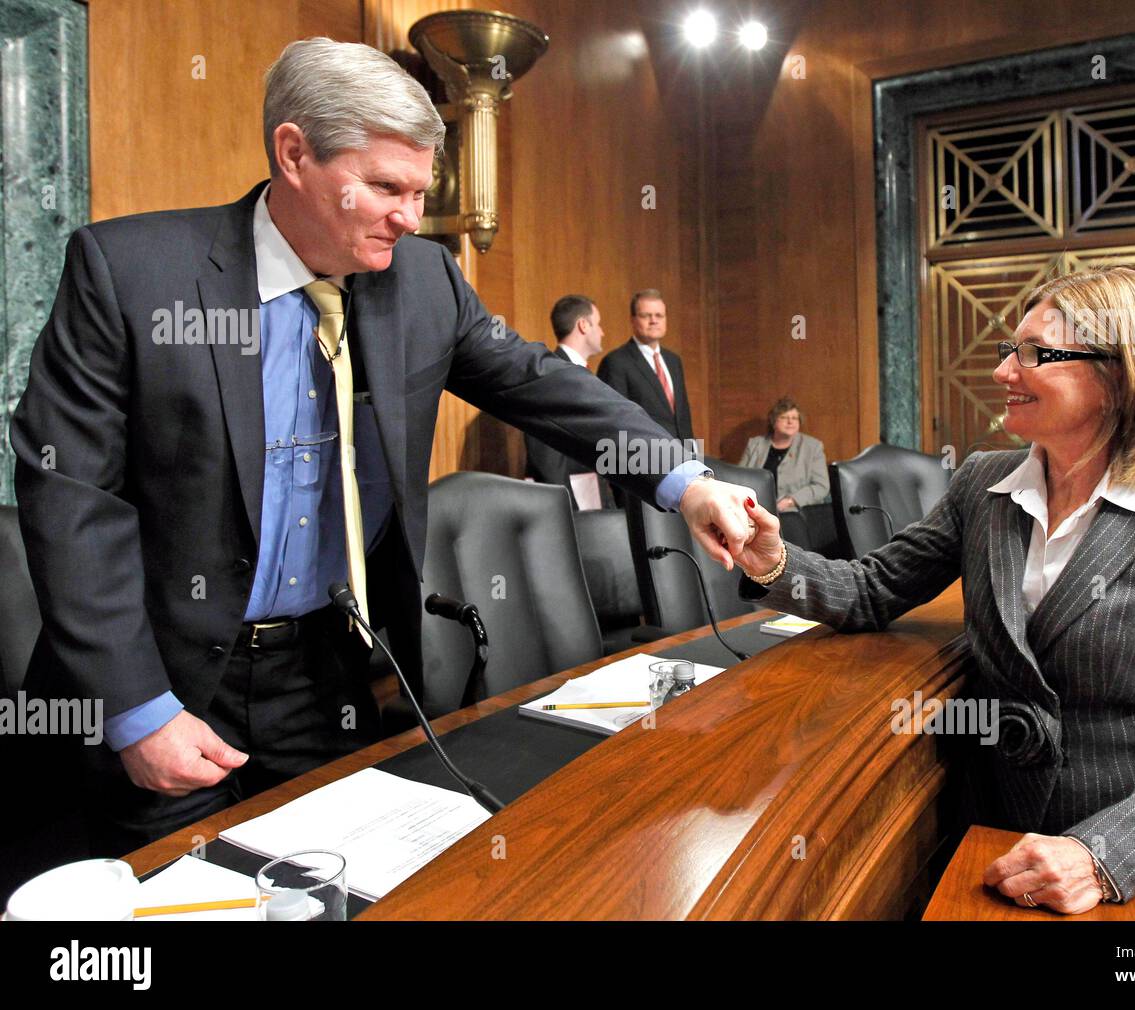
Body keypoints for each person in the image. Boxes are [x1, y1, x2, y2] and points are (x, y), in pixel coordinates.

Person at [9, 38, 755, 852]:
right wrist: (137, 709)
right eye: (385, 187)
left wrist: (685, 481)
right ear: (293, 153)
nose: (409, 213)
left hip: (325, 676)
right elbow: (71, 497)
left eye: (420, 188)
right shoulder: (131, 273)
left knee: (345, 885)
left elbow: (543, 384)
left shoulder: (423, 279)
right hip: (164, 677)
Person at [729, 266, 1135, 912]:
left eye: (1032, 354)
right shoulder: (983, 485)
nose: (1003, 373)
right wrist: (771, 560)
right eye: (1006, 351)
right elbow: (874, 588)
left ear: (1119, 375)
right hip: (995, 850)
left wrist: (1101, 854)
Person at [524, 295, 609, 508]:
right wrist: (566, 511)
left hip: (591, 498)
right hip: (565, 504)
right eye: (597, 324)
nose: (602, 332)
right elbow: (546, 455)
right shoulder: (549, 374)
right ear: (583, 325)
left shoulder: (581, 372)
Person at [596, 289, 694, 443]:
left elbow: (683, 415)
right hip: (642, 458)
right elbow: (616, 420)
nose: (654, 320)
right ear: (633, 320)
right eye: (646, 315)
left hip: (681, 456)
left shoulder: (674, 361)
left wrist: (693, 457)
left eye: (659, 315)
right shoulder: (616, 362)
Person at [738, 396, 829, 512]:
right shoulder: (755, 444)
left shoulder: (813, 447)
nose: (790, 422)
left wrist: (791, 501)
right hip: (756, 510)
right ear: (773, 422)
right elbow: (739, 479)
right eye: (784, 417)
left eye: (795, 418)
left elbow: (821, 486)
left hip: (796, 513)